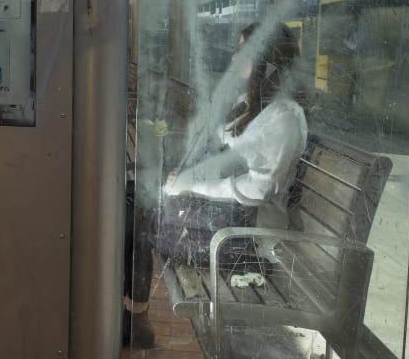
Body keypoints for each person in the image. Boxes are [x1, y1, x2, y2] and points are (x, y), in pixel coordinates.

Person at [123, 21, 308, 349]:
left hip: (244, 240)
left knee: (136, 211)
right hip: (223, 221)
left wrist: (192, 186)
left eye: (242, 49)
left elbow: (256, 191)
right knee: (130, 199)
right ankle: (134, 317)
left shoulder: (284, 119)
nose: (235, 57)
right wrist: (189, 176)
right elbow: (219, 151)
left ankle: (135, 319)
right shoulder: (252, 105)